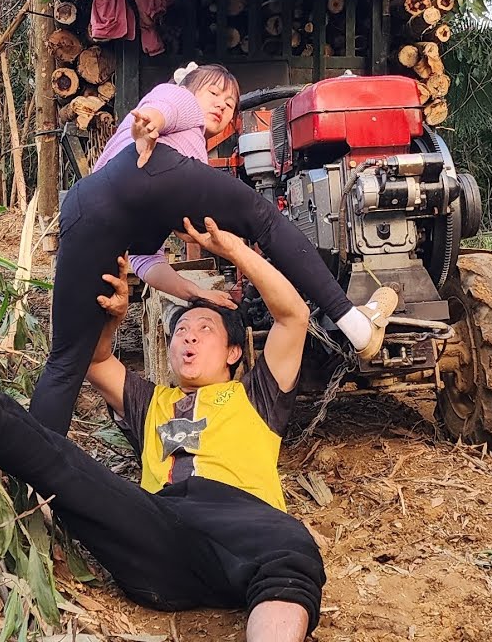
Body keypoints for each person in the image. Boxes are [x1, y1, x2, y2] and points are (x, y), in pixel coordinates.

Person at [0, 216, 325, 642]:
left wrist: (234, 250)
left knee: (291, 552)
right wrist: (110, 323)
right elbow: (95, 361)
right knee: (65, 465)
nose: (188, 338)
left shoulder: (258, 396)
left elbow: (293, 317)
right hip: (163, 538)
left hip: (248, 522)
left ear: (233, 353)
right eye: (181, 330)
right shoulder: (152, 402)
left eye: (203, 330)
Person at [30, 64, 398, 436]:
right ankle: (356, 327)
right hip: (145, 161)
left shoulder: (155, 159)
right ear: (189, 89)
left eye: (230, 103)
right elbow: (167, 104)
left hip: (83, 204)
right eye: (214, 95)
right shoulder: (178, 101)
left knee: (64, 362)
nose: (222, 106)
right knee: (265, 220)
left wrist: (196, 292)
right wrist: (151, 124)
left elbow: (143, 260)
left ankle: (33, 484)